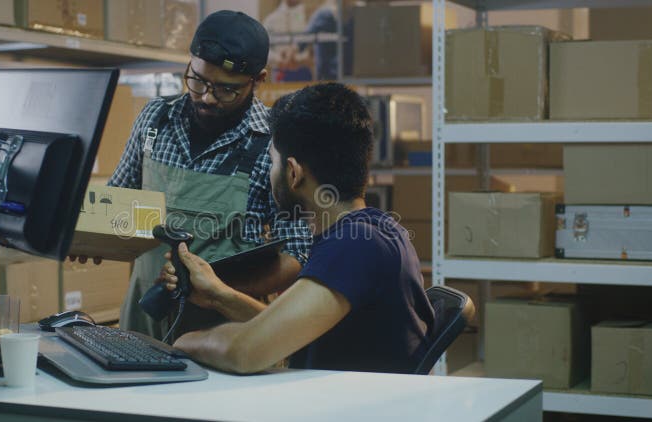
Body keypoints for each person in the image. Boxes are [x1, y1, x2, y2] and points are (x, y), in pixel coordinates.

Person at [158, 83, 436, 374]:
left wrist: (180, 344)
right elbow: (293, 331)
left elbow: (243, 352)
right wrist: (217, 295)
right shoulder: (372, 230)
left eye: (272, 161)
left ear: (293, 173)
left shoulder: (355, 247)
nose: (269, 172)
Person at [108, 10, 311, 340]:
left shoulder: (274, 142)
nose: (206, 97)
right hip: (145, 316)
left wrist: (217, 288)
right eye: (198, 80)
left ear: (258, 79)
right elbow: (118, 201)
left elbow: (297, 254)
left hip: (224, 329)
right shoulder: (154, 120)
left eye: (225, 90)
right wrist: (88, 238)